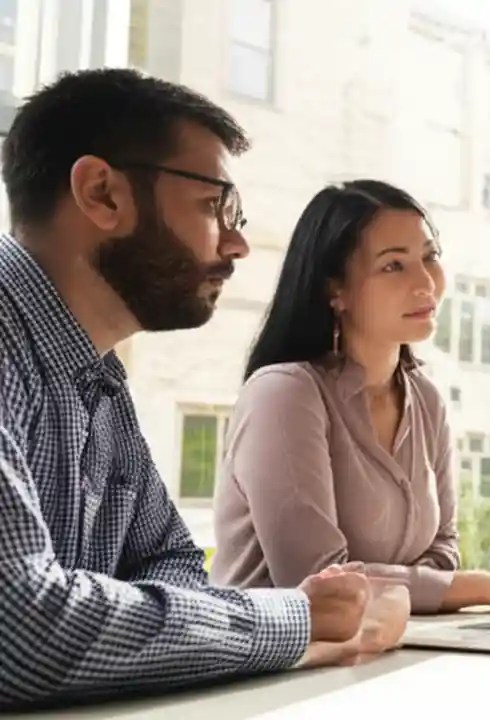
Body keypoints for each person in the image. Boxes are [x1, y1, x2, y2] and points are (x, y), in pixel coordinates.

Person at [0, 69, 409, 708]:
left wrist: (94, 610)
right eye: (217, 206)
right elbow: (22, 629)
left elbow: (174, 567)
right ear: (102, 193)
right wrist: (296, 621)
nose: (239, 242)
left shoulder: (98, 378)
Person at [211, 180, 490, 614]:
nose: (426, 281)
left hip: (385, 649)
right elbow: (316, 580)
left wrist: (416, 596)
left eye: (429, 257)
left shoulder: (426, 399)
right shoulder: (285, 394)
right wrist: (482, 588)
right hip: (269, 668)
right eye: (394, 266)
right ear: (336, 291)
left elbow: (443, 551)